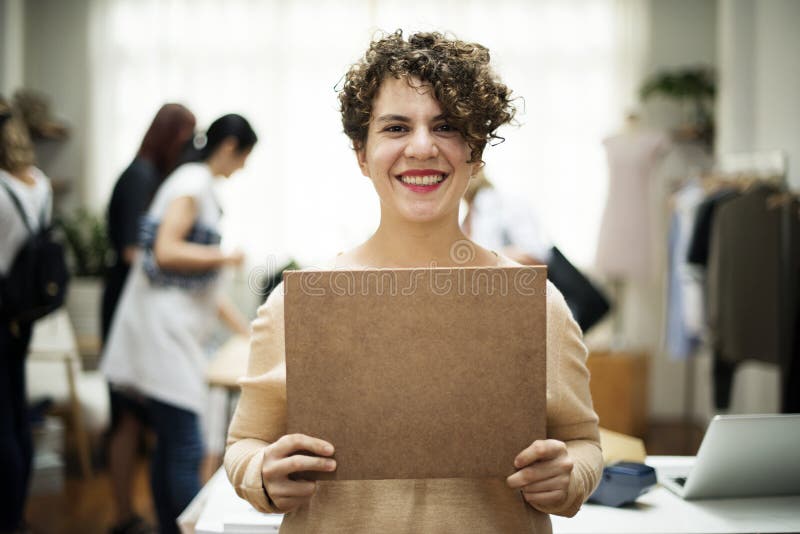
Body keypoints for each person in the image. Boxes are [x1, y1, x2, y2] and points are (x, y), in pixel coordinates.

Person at [225, 31, 602, 533]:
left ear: (476, 152)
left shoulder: (536, 304)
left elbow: (583, 442)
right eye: (396, 127)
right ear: (362, 153)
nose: (422, 147)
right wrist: (264, 476)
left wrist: (569, 475)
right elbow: (244, 445)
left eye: (446, 126)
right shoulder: (298, 303)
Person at [101, 114, 256, 534]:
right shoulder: (192, 184)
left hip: (167, 331)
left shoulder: (193, 183)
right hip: (161, 334)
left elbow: (203, 287)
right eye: (243, 157)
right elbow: (167, 251)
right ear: (229, 149)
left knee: (170, 444)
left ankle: (169, 528)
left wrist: (246, 329)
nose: (241, 167)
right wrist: (227, 256)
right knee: (186, 446)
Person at [102, 103, 196, 534]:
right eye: (185, 135)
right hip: (126, 307)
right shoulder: (139, 176)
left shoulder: (153, 176)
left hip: (139, 307)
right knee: (127, 418)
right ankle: (122, 513)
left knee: (148, 420)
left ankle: (141, 514)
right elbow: (131, 249)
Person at [0, 97, 53, 533]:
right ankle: (16, 512)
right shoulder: (38, 182)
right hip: (24, 312)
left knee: (4, 419)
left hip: (0, 305)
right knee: (15, 413)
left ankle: (7, 516)